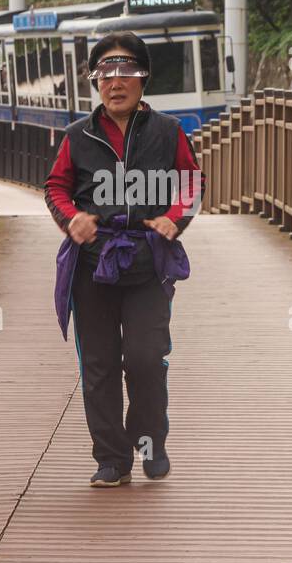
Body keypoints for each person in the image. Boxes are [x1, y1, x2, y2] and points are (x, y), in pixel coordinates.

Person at [46, 31, 204, 487]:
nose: (116, 81)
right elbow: (55, 186)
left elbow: (190, 183)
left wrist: (174, 219)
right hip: (92, 263)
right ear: (95, 81)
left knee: (146, 357)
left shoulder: (168, 132)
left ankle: (150, 439)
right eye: (106, 72)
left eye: (127, 70)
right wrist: (72, 218)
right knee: (98, 365)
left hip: (146, 262)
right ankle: (111, 460)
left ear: (144, 78)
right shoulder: (78, 136)